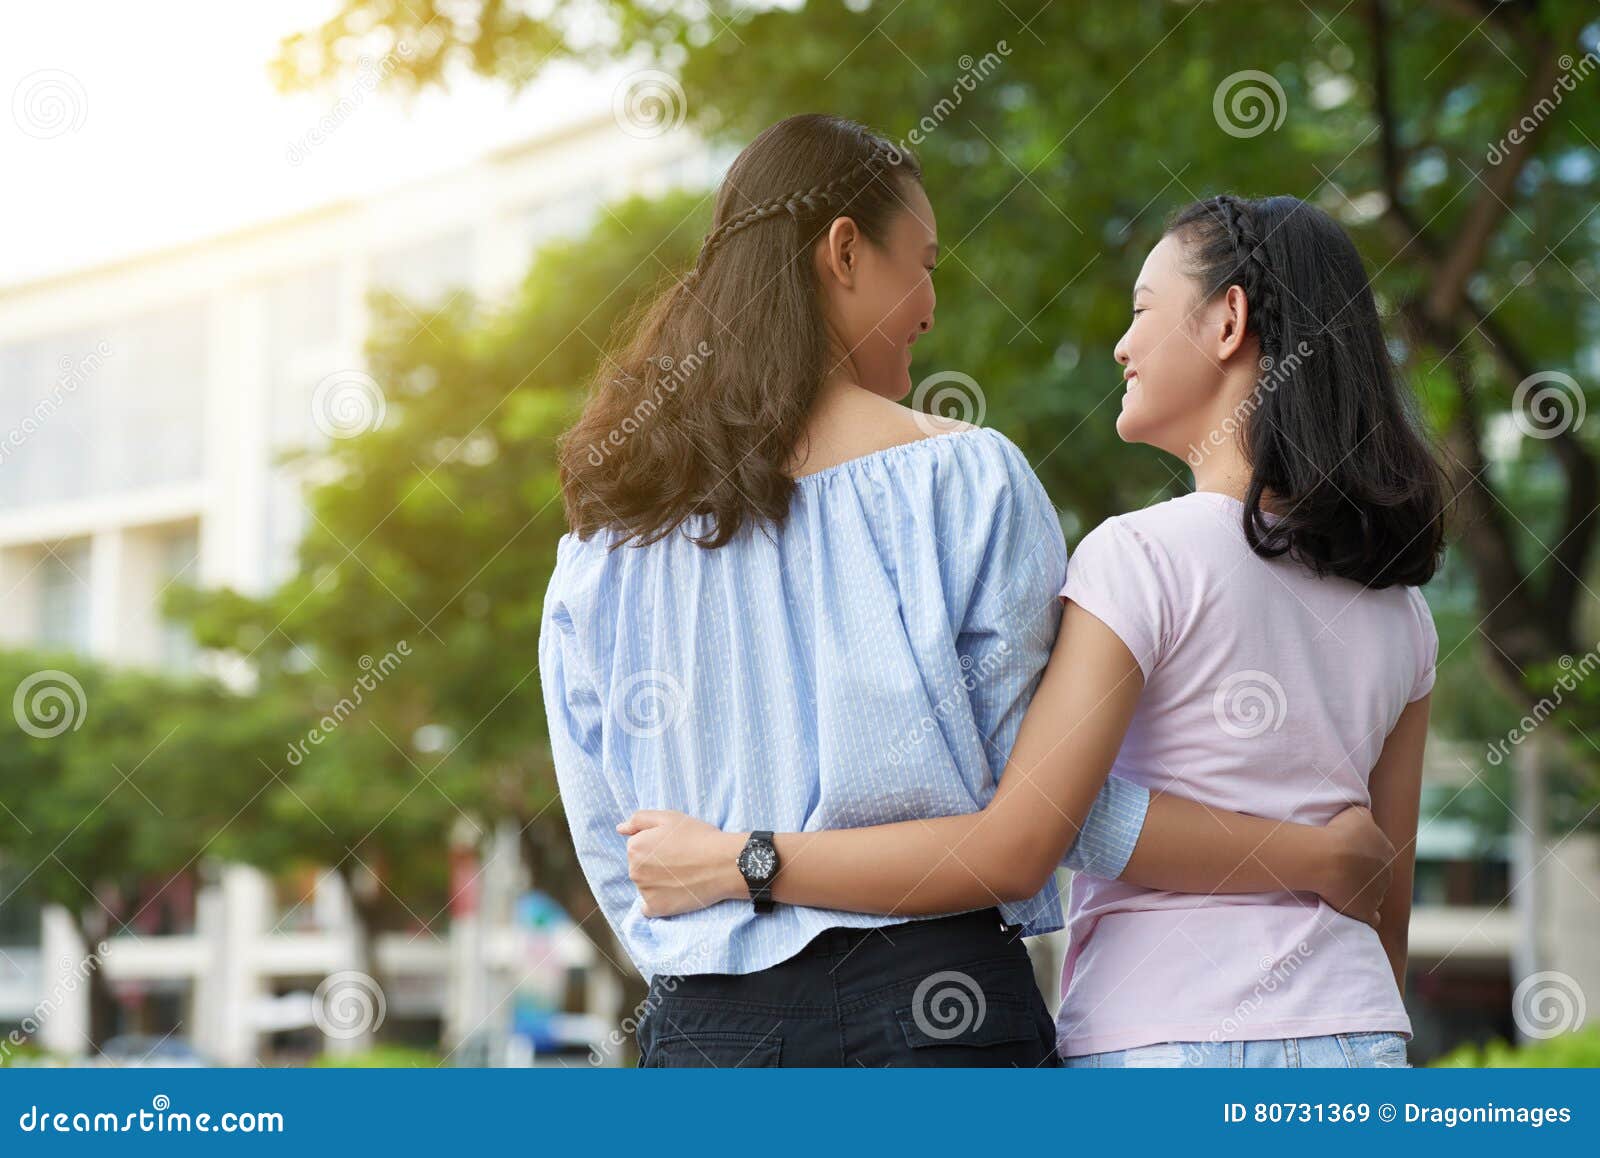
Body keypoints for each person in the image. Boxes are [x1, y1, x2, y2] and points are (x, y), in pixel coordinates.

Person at [541, 117, 1397, 1067]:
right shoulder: (966, 480)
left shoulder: (602, 545)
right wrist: (1318, 856)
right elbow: (1040, 813)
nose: (931, 305)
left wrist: (734, 880)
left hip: (708, 1034)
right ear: (844, 252)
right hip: (933, 1015)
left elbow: (620, 854)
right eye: (926, 264)